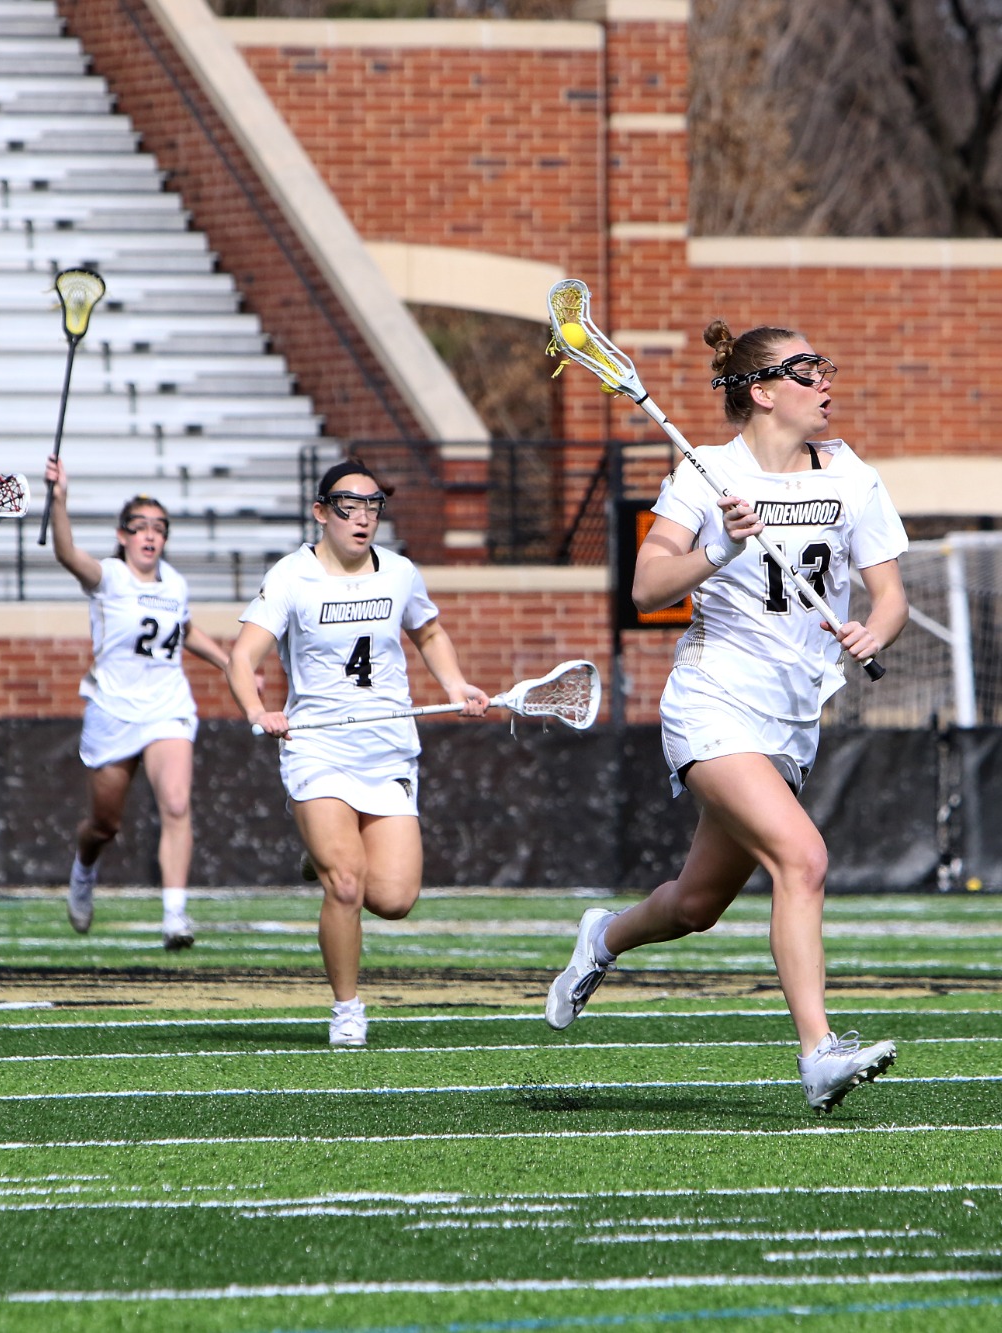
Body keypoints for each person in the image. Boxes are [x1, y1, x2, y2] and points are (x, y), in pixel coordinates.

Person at [543, 321, 910, 1114]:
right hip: (713, 700)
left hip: (791, 718)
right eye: (806, 370)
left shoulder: (851, 476)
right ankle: (819, 1052)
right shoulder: (706, 474)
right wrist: (723, 550)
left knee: (695, 905)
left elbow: (890, 594)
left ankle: (602, 938)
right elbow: (645, 588)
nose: (825, 382)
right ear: (762, 390)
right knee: (802, 860)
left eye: (823, 366)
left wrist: (873, 628)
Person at [226, 461, 487, 1047]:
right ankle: (347, 1011)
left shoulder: (399, 573)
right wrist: (257, 711)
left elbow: (428, 632)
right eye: (348, 506)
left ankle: (316, 853)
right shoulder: (291, 576)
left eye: (372, 506)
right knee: (345, 883)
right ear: (321, 512)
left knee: (393, 899)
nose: (362, 517)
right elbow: (242, 658)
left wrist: (454, 685)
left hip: (387, 748)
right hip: (316, 746)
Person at [44, 458, 228, 949]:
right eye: (140, 527)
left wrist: (229, 663)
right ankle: (84, 871)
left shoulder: (174, 583)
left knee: (175, 802)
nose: (150, 536)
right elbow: (66, 553)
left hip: (168, 705)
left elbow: (184, 630)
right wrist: (59, 500)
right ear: (122, 535)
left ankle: (175, 915)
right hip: (112, 708)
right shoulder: (109, 577)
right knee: (105, 823)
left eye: (159, 528)